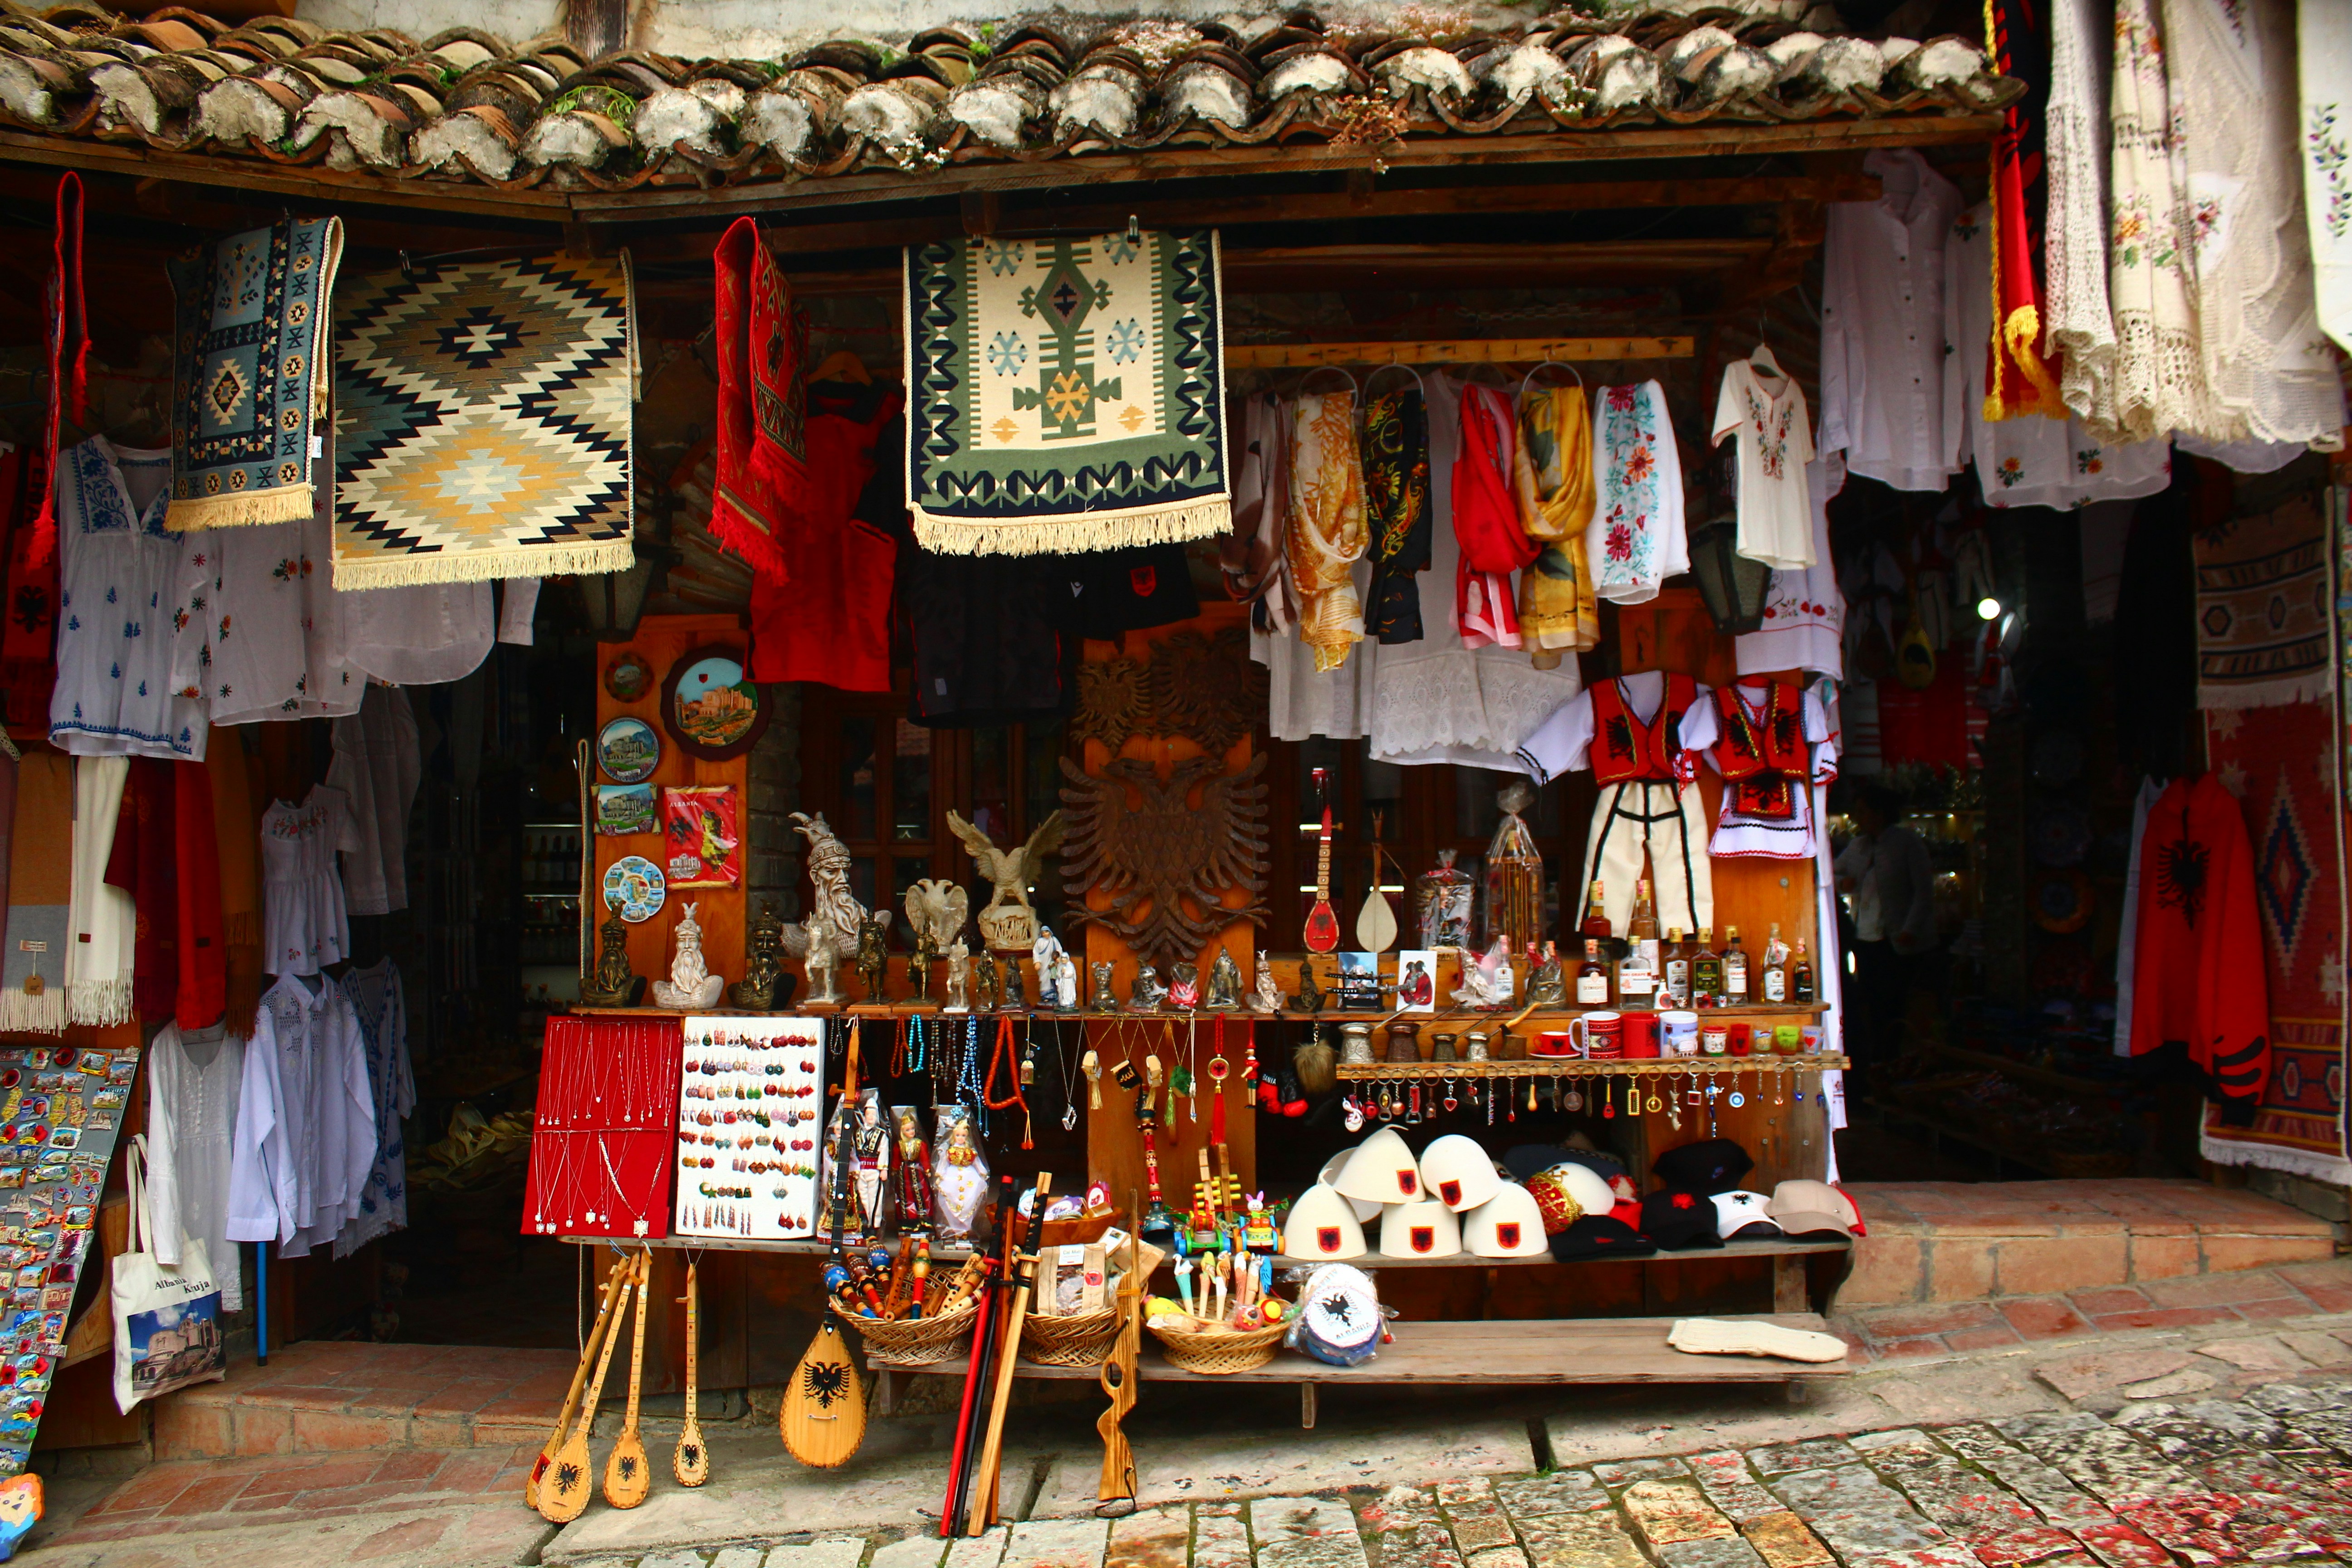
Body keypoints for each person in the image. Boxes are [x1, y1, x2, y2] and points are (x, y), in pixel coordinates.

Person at [1833, 782, 1938, 1061]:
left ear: (1879, 813)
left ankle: (1891, 1059)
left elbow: (1923, 891)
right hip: (1866, 938)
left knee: (1892, 1004)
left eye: (1862, 811)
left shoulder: (1906, 843)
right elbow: (1831, 874)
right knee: (1869, 1002)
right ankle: (1875, 1060)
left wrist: (1909, 929)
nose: (1857, 818)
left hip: (1896, 940)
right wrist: (1842, 883)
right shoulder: (1859, 846)